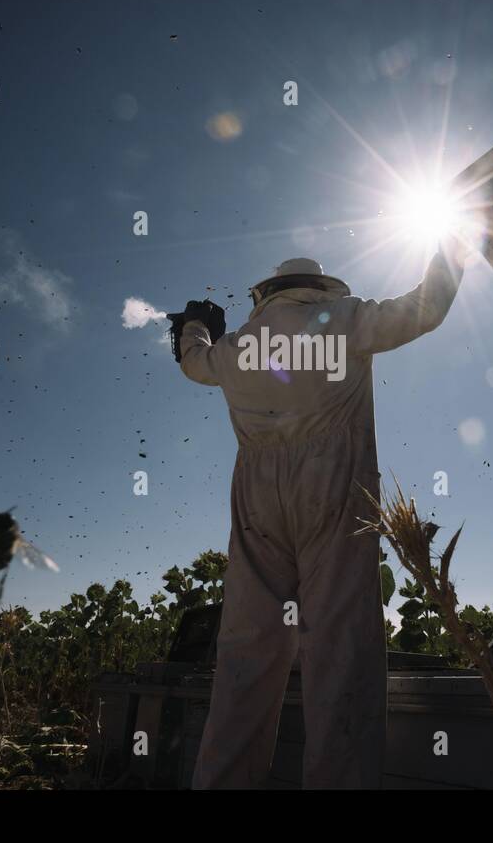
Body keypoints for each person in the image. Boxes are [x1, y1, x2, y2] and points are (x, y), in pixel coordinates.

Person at [176, 238, 471, 788]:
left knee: (247, 647)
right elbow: (426, 307)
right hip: (333, 485)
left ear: (268, 291)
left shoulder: (237, 347)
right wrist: (456, 246)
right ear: (318, 287)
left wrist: (194, 326)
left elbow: (193, 364)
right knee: (339, 645)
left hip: (255, 495)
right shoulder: (344, 320)